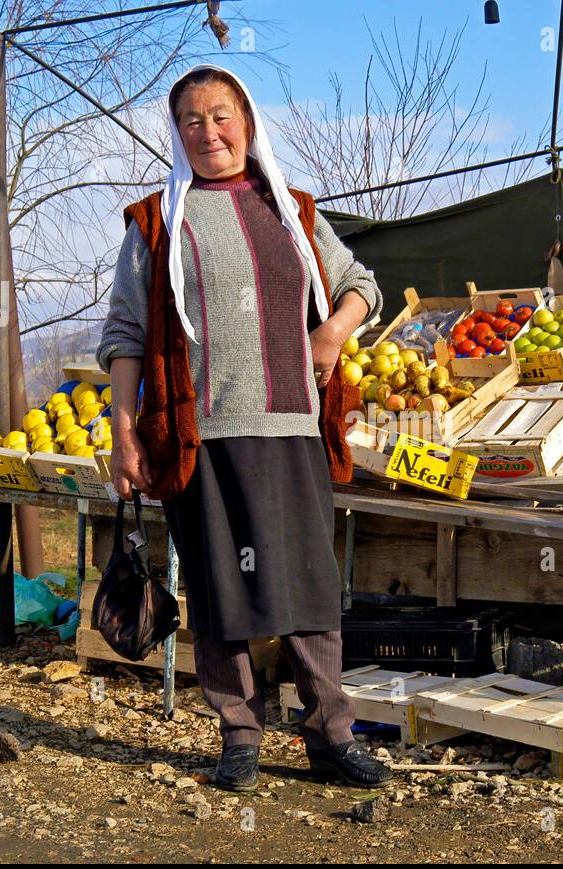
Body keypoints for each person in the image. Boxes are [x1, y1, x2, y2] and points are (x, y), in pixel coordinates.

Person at [97, 63, 392, 792]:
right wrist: (124, 432)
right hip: (204, 435)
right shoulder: (157, 222)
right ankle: (240, 738)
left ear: (248, 123)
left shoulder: (291, 210)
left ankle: (331, 736)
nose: (208, 132)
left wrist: (330, 338)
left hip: (290, 428)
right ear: (177, 133)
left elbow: (362, 287)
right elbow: (126, 333)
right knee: (222, 591)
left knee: (310, 590)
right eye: (191, 120)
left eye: (221, 115)